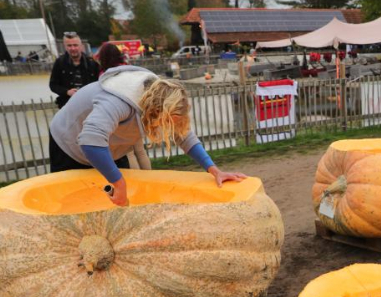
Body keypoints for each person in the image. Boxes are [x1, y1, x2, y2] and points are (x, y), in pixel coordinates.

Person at [48, 65, 246, 207]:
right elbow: (90, 140)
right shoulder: (118, 102)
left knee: (120, 205)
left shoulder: (159, 94)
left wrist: (215, 171)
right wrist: (118, 181)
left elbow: (184, 136)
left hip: (111, 149)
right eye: (168, 121)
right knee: (72, 205)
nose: (168, 128)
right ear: (156, 111)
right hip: (69, 146)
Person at [95, 43, 151, 171]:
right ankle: (150, 178)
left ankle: (138, 182)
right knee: (141, 151)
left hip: (120, 115)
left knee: (129, 152)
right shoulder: (128, 69)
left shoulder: (104, 74)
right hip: (136, 111)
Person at [50, 32, 99, 109]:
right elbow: (53, 85)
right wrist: (67, 92)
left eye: (75, 45)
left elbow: (99, 84)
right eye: (69, 45)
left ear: (81, 46)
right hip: (67, 105)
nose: (73, 48)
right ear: (65, 47)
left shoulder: (92, 63)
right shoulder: (59, 63)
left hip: (90, 105)